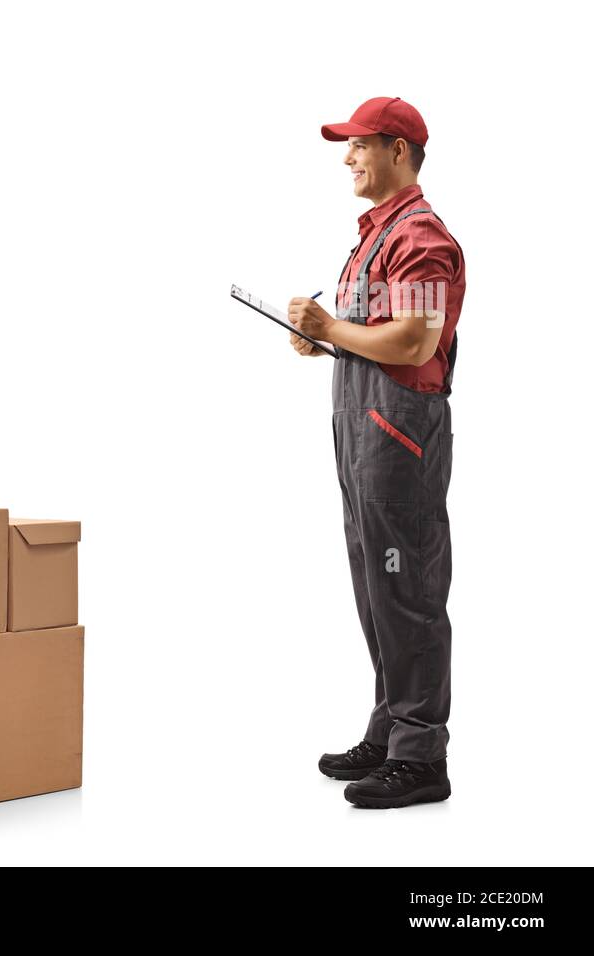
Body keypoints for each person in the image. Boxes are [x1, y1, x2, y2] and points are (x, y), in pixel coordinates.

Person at [287, 97, 465, 808]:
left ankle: (422, 755)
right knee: (376, 585)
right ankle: (393, 726)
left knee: (408, 589)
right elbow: (372, 332)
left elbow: (416, 341)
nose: (348, 158)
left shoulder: (422, 236)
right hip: (362, 431)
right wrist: (322, 335)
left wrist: (333, 323)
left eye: (359, 145)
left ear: (398, 151)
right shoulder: (372, 237)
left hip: (397, 435)